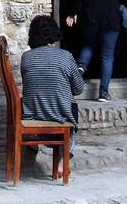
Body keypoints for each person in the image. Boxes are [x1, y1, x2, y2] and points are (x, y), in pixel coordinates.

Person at [65, 0, 127, 101]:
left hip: (90, 18)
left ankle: (81, 67)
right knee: (107, 57)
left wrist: (73, 13)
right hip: (111, 18)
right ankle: (103, 94)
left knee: (88, 46)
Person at [19, 14, 84, 164]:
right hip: (59, 117)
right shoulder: (66, 56)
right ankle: (62, 162)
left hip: (31, 115)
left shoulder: (26, 57)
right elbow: (79, 89)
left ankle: (32, 149)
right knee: (72, 106)